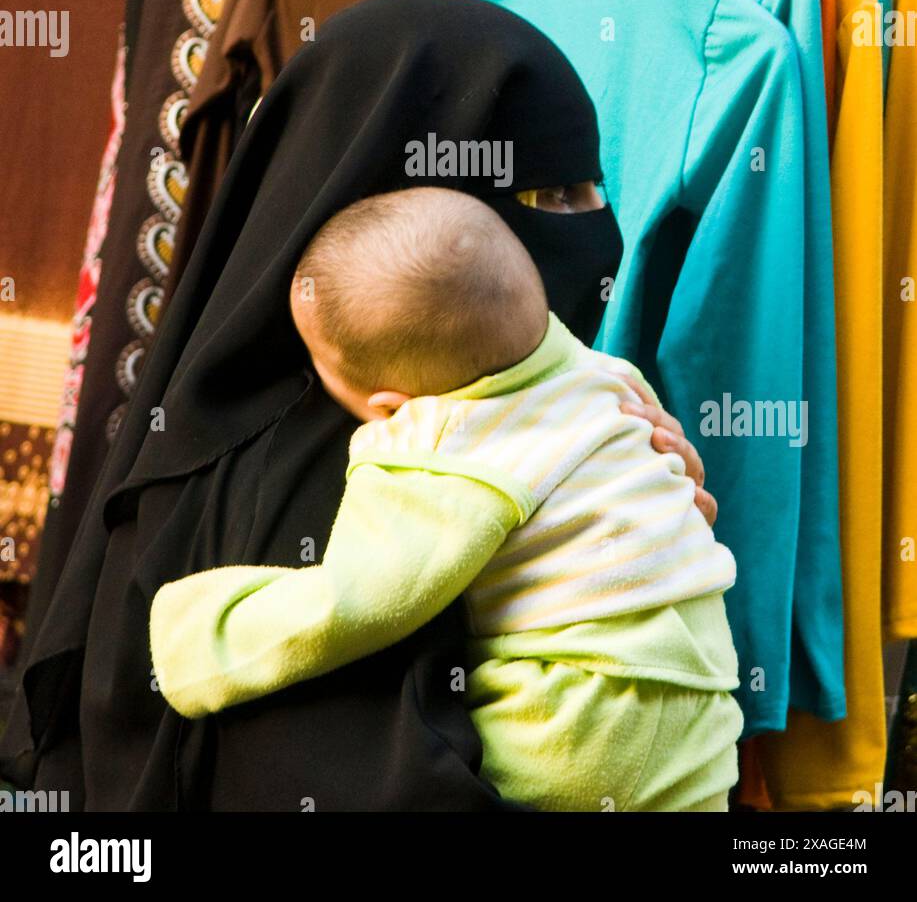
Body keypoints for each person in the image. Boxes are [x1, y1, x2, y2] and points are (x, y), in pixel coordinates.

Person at [1, 0, 715, 811]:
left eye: (592, 190)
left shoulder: (507, 420)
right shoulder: (313, 485)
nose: (601, 233)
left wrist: (621, 553)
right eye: (551, 198)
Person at [151, 187, 742, 812]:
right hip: (703, 731)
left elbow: (361, 600)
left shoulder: (442, 445)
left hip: (574, 732)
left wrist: (195, 634)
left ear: (387, 407)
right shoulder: (612, 381)